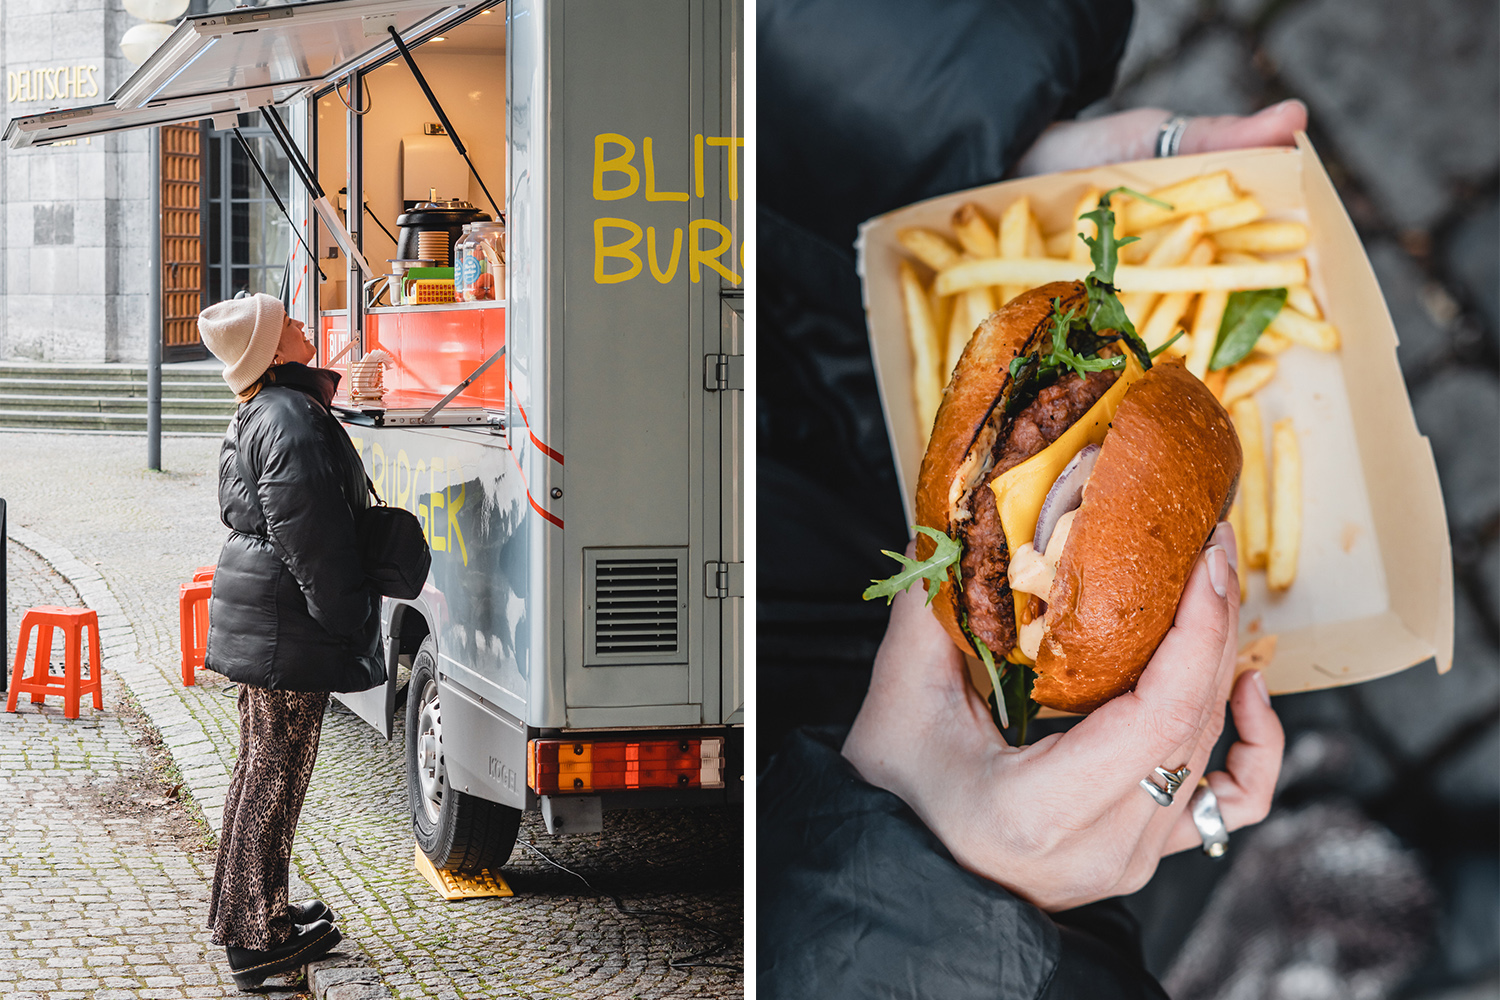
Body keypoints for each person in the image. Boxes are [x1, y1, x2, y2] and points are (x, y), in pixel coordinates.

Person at [758, 0, 1303, 994]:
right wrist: (946, 911)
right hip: (1029, 766)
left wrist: (951, 154)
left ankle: (1298, 880)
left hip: (812, 365)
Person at [196, 292, 383, 990]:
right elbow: (313, 537)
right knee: (271, 778)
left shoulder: (268, 409)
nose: (306, 325)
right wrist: (346, 615)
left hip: (269, 619)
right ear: (275, 349)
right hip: (286, 627)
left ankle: (255, 910)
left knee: (262, 772)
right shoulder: (291, 418)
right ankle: (255, 942)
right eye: (292, 322)